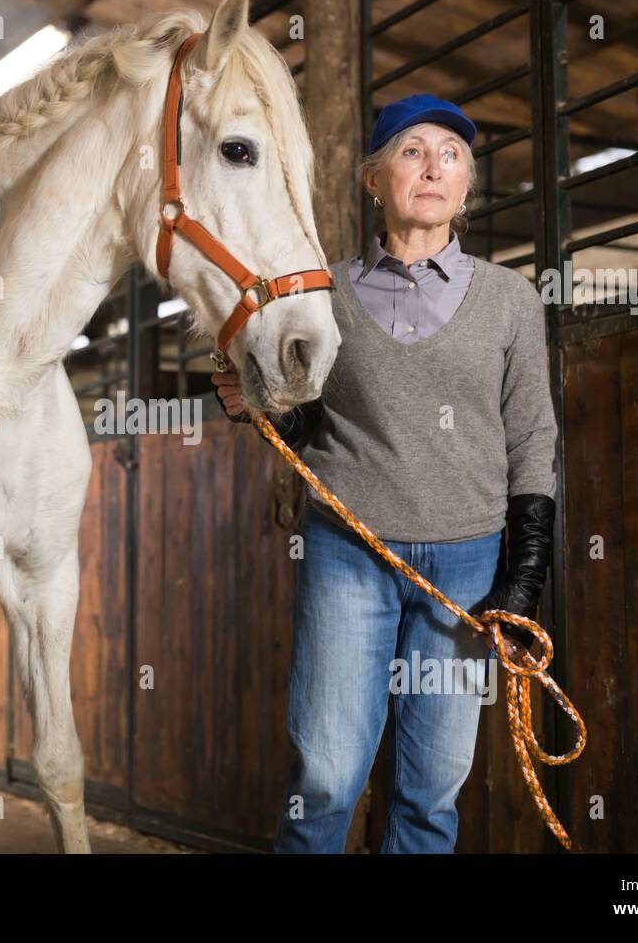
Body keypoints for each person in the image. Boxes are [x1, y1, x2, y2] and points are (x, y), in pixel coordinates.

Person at [212, 93, 558, 853]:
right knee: (328, 773)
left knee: (432, 786)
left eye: (452, 155)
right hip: (346, 555)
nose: (433, 166)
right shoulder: (323, 294)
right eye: (411, 151)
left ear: (468, 184)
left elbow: (532, 433)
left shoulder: (510, 301)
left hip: (466, 565)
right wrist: (260, 405)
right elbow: (310, 425)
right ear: (374, 179)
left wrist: (526, 569)